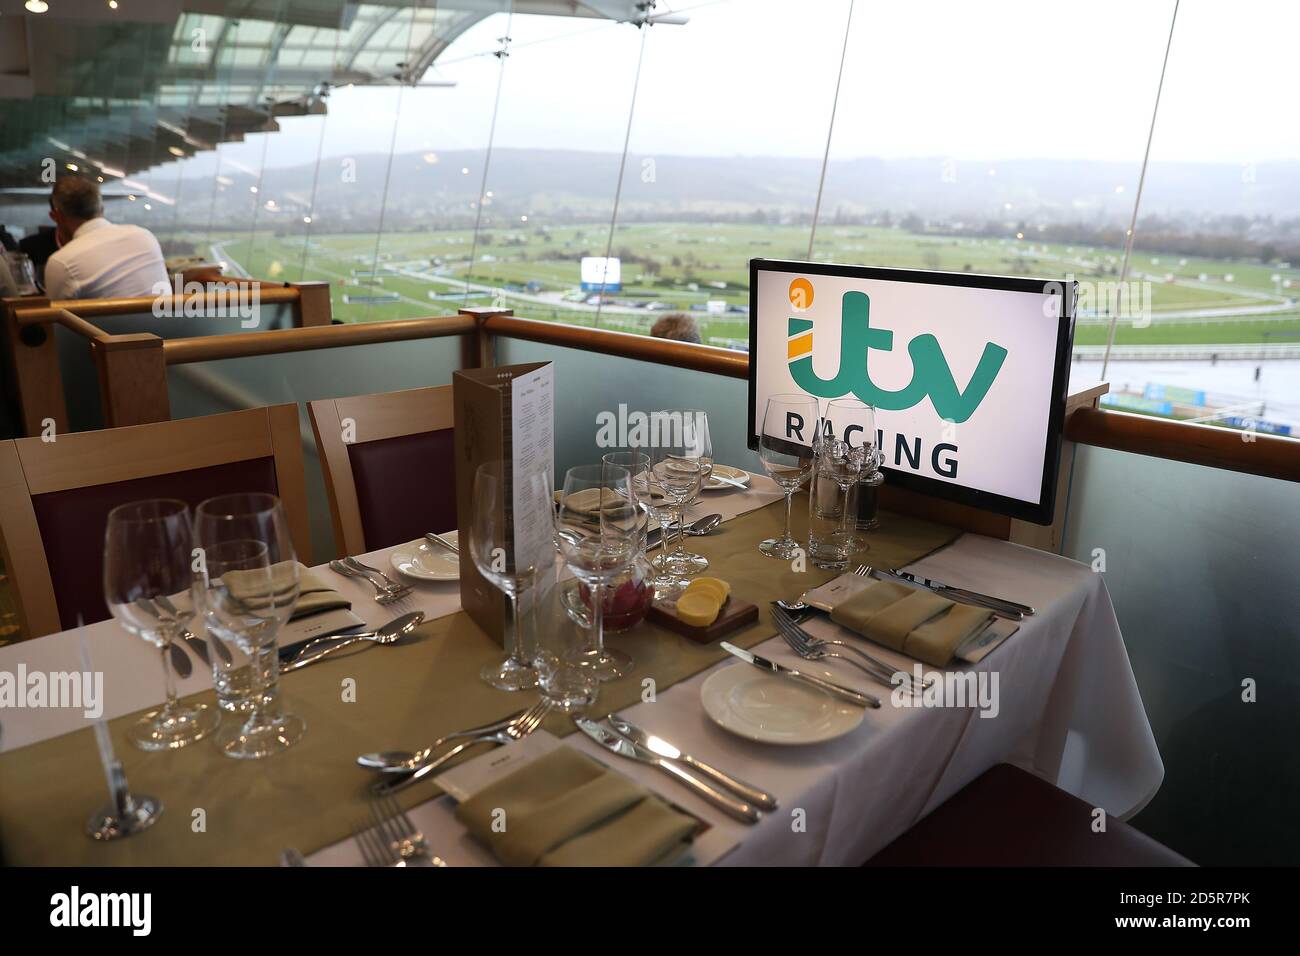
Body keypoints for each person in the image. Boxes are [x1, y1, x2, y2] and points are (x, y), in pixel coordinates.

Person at [42, 177, 167, 300]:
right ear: (101, 208)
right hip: (167, 319)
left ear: (56, 216)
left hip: (97, 321)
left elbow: (56, 318)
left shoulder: (62, 262)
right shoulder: (145, 236)